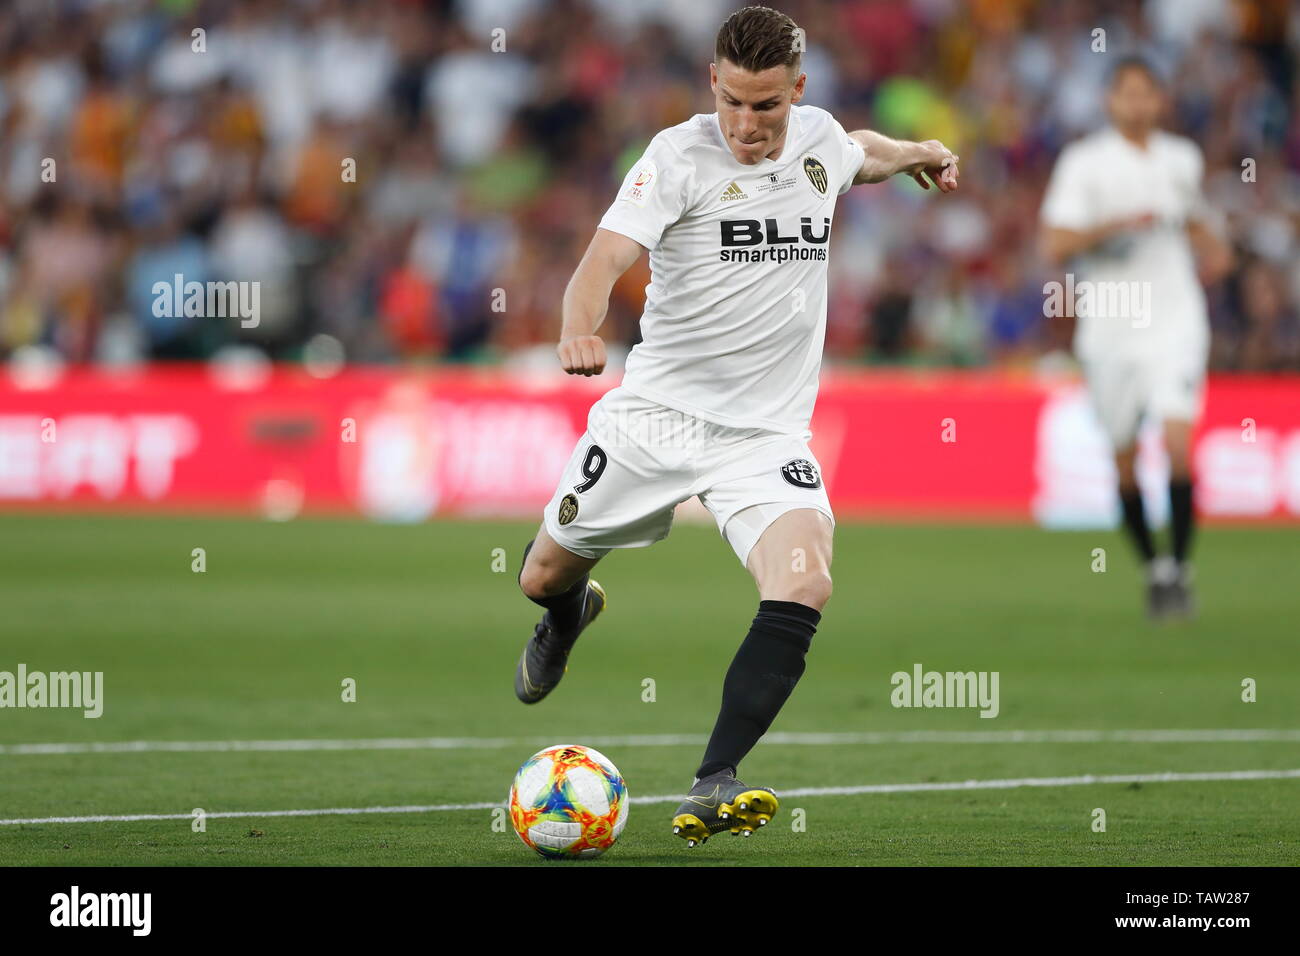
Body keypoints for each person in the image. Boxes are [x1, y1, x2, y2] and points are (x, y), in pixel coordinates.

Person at [515, 4, 959, 847]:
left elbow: (862, 150)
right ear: (711, 82)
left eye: (767, 106)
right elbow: (602, 259)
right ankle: (569, 617)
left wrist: (919, 156)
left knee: (805, 582)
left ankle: (714, 780)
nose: (747, 126)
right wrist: (581, 327)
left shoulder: (820, 139)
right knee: (541, 576)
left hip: (765, 437)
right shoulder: (675, 157)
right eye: (734, 103)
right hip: (656, 420)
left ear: (797, 91)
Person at [1040, 56, 1232, 620]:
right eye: (1128, 93)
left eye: (1148, 93)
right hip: (1111, 325)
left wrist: (1213, 246)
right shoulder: (1085, 163)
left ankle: (1179, 569)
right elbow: (1054, 244)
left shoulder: (1182, 159)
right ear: (1110, 101)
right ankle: (1153, 566)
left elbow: (1196, 221)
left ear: (1160, 100)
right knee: (1124, 456)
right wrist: (1115, 226)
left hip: (1175, 318)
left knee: (1177, 443)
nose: (1139, 104)